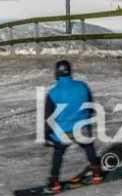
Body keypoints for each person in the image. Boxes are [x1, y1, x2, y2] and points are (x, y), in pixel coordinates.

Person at [44, 60, 102, 193]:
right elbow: (90, 106)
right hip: (82, 126)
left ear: (56, 73)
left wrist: (46, 134)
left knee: (58, 152)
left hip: (63, 131)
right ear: (70, 72)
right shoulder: (82, 86)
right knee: (88, 146)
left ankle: (54, 182)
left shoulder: (53, 93)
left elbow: (48, 117)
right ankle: (96, 173)